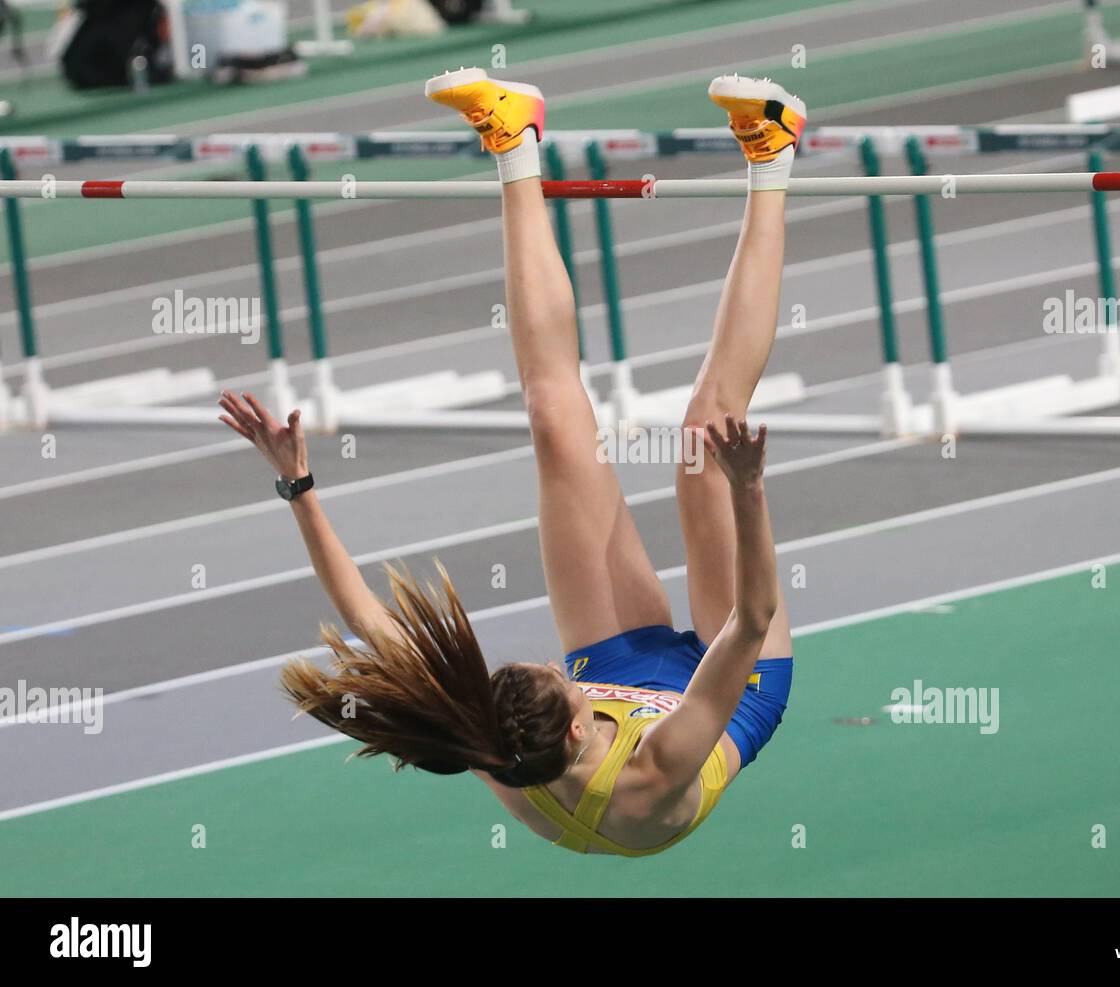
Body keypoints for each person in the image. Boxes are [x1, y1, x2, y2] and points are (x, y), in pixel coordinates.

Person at [217, 69, 806, 855]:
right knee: (706, 435)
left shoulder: (494, 739)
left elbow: (368, 620)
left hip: (623, 665)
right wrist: (750, 489)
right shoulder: (652, 774)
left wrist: (297, 485)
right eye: (563, 677)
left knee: (552, 419)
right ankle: (775, 150)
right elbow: (752, 620)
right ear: (575, 722)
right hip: (732, 693)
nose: (554, 663)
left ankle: (513, 139)